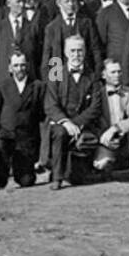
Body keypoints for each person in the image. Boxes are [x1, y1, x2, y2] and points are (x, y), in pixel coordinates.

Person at [44, 36, 103, 190]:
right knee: (59, 133)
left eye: (80, 51)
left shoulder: (92, 75)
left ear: (85, 52)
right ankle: (57, 177)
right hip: (61, 123)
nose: (76, 55)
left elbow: (95, 106)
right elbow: (50, 104)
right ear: (65, 52)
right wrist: (66, 122)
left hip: (83, 125)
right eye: (72, 51)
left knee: (78, 179)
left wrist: (77, 124)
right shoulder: (55, 72)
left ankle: (76, 169)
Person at [0, 49, 45, 189]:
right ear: (10, 68)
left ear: (27, 66)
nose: (20, 69)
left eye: (22, 65)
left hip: (27, 139)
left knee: (26, 181)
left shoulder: (37, 86)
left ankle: (22, 171)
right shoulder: (2, 85)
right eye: (16, 65)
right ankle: (0, 178)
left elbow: (43, 115)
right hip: (6, 135)